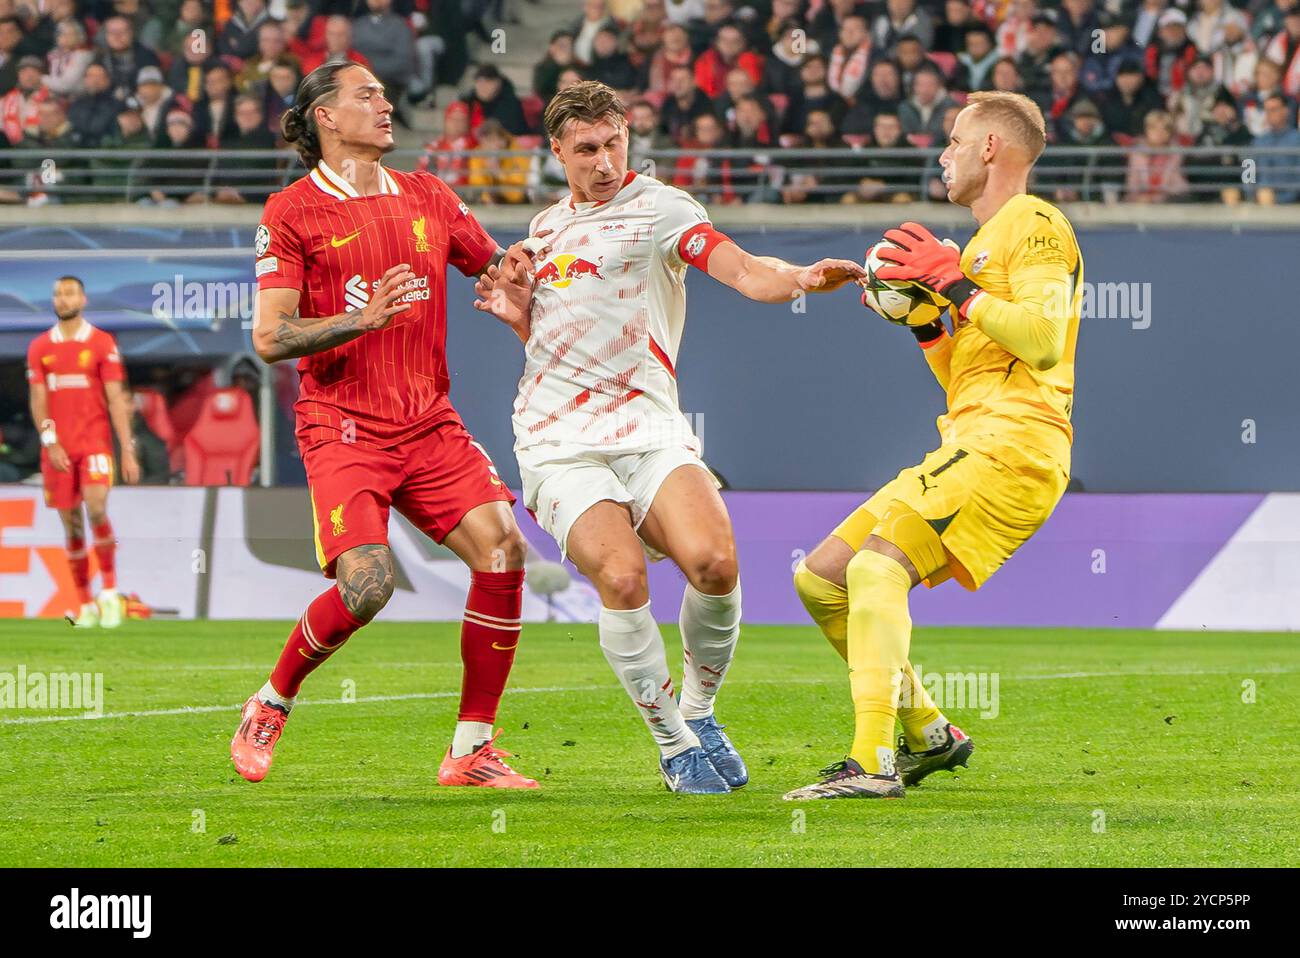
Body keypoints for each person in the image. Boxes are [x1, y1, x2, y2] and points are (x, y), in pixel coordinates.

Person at [473, 81, 865, 794]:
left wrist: (800, 277)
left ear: (628, 136)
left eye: (613, 143)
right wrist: (519, 316)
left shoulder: (661, 210)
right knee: (622, 578)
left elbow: (743, 269)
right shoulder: (541, 233)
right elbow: (553, 343)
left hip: (649, 426)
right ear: (557, 150)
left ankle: (700, 710)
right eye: (585, 149)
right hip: (557, 437)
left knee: (715, 564)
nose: (602, 161)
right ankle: (673, 741)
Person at [233, 62, 538, 790]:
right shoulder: (291, 211)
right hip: (342, 423)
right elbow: (270, 339)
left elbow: (492, 266)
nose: (387, 103)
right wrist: (358, 320)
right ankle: (273, 700)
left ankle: (471, 749)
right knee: (369, 585)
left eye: (384, 92)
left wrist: (517, 270)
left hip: (427, 418)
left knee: (503, 552)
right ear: (325, 117)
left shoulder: (430, 194)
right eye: (367, 94)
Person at [787, 90, 1083, 800]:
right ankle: (927, 733)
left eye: (954, 141)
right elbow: (964, 377)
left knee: (877, 569)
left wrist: (954, 286)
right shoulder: (979, 247)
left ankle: (872, 761)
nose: (942, 155)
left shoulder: (1036, 223)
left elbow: (1043, 342)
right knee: (822, 577)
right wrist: (928, 322)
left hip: (1016, 441)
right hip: (972, 430)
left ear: (991, 147)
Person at [26, 276, 141, 628]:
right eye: (58, 293)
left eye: (70, 292)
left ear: (83, 299)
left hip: (94, 443)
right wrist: (50, 441)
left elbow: (116, 400)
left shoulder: (102, 342)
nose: (63, 299)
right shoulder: (40, 347)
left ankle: (109, 590)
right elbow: (38, 400)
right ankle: (83, 602)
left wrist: (127, 449)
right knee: (72, 525)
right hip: (58, 451)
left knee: (95, 507)